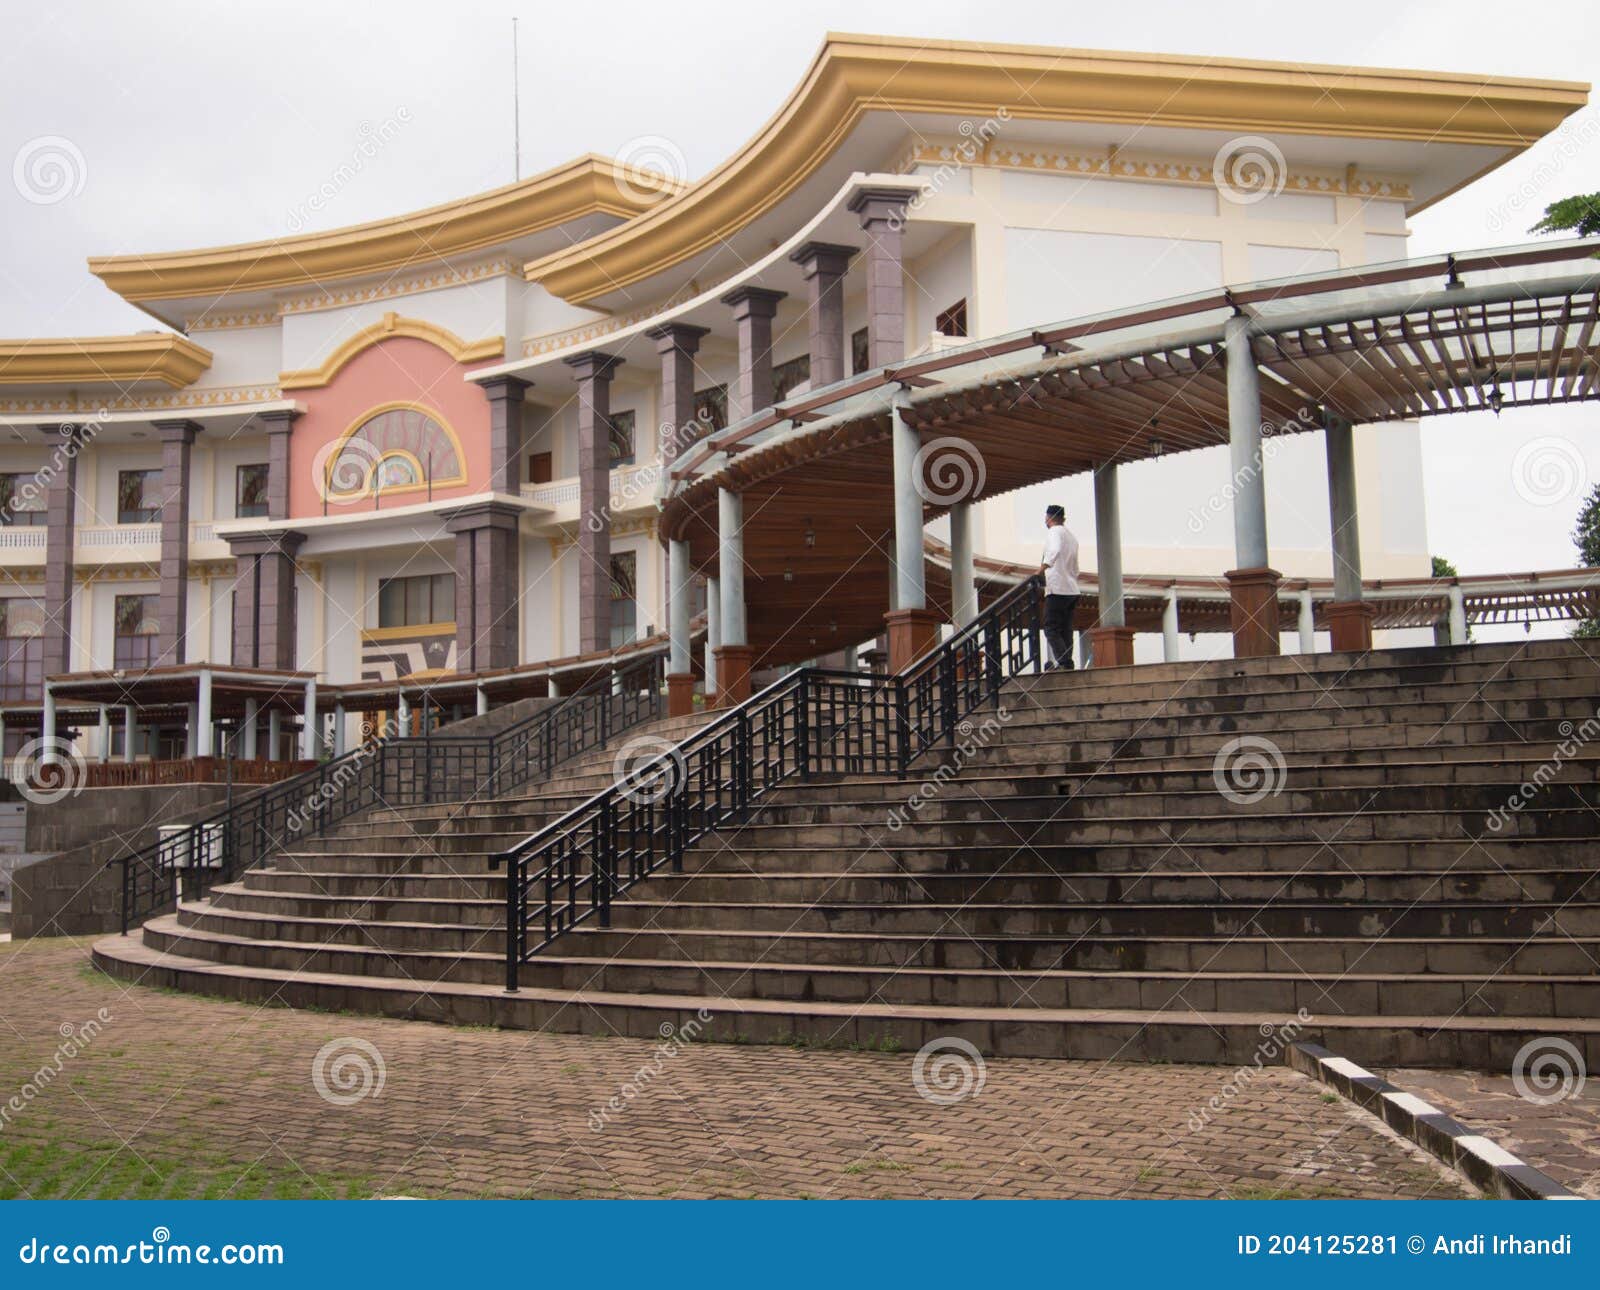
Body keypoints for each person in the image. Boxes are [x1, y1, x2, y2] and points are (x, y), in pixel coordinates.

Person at [1040, 504, 1080, 670]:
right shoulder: (1071, 537)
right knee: (1065, 629)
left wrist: (1042, 568)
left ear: (1049, 517)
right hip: (1072, 589)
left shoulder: (1054, 532)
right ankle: (1066, 662)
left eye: (1045, 517)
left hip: (1058, 588)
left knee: (1051, 628)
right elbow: (1075, 568)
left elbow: (1054, 549)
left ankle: (1065, 662)